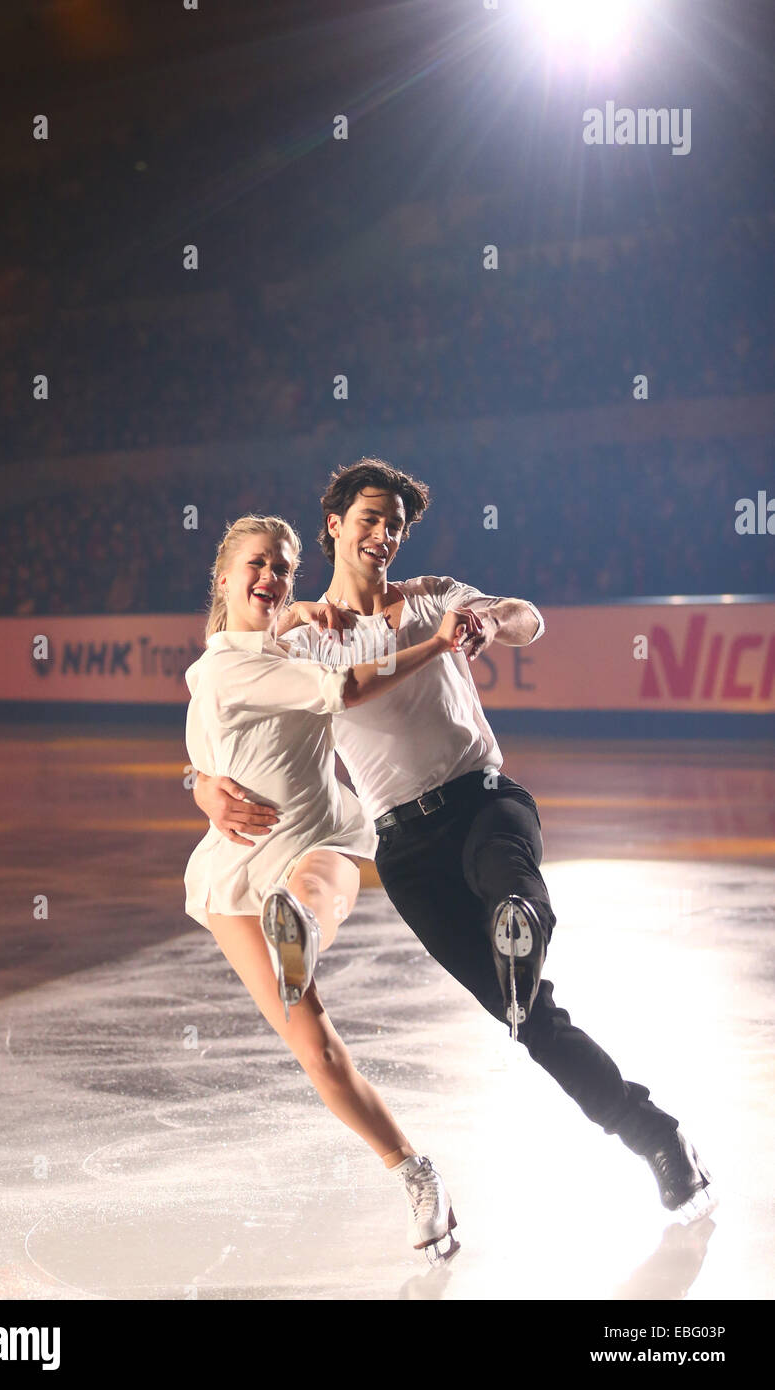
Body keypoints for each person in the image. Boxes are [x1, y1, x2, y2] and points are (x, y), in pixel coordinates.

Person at [194, 460, 716, 1227]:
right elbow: (230, 706)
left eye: (396, 525)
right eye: (369, 518)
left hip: (484, 802)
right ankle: (656, 1134)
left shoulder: (434, 597)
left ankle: (520, 925)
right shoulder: (303, 636)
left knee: (508, 880)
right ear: (334, 526)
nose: (384, 535)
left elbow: (528, 617)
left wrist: (488, 621)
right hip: (405, 849)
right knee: (527, 1019)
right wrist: (201, 783)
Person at [183, 512, 479, 1263]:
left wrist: (295, 612)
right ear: (223, 576)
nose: (272, 576)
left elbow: (205, 752)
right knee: (314, 1049)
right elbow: (344, 687)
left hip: (321, 839)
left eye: (283, 566)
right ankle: (417, 1173)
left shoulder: (285, 633)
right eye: (256, 563)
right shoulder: (222, 667)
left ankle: (299, 929)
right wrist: (438, 643)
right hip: (236, 875)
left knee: (315, 886)